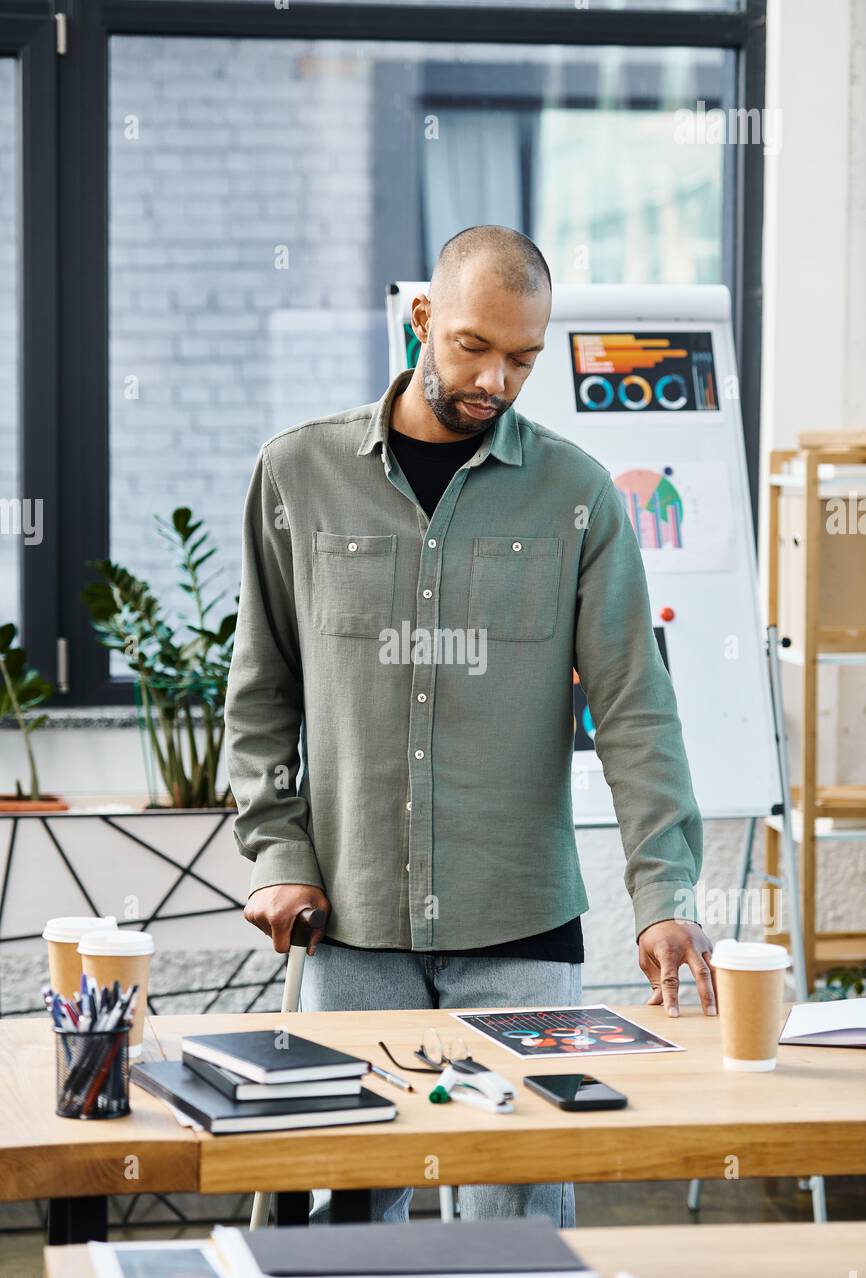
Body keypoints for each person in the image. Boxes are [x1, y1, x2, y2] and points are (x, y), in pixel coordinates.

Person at [224, 224, 717, 1227]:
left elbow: (633, 705)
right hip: (349, 924)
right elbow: (261, 688)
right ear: (419, 321)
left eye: (522, 358)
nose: (495, 377)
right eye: (471, 347)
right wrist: (277, 848)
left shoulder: (577, 496)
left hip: (522, 931)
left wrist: (662, 893)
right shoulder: (296, 475)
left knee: (518, 1221)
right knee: (341, 1215)